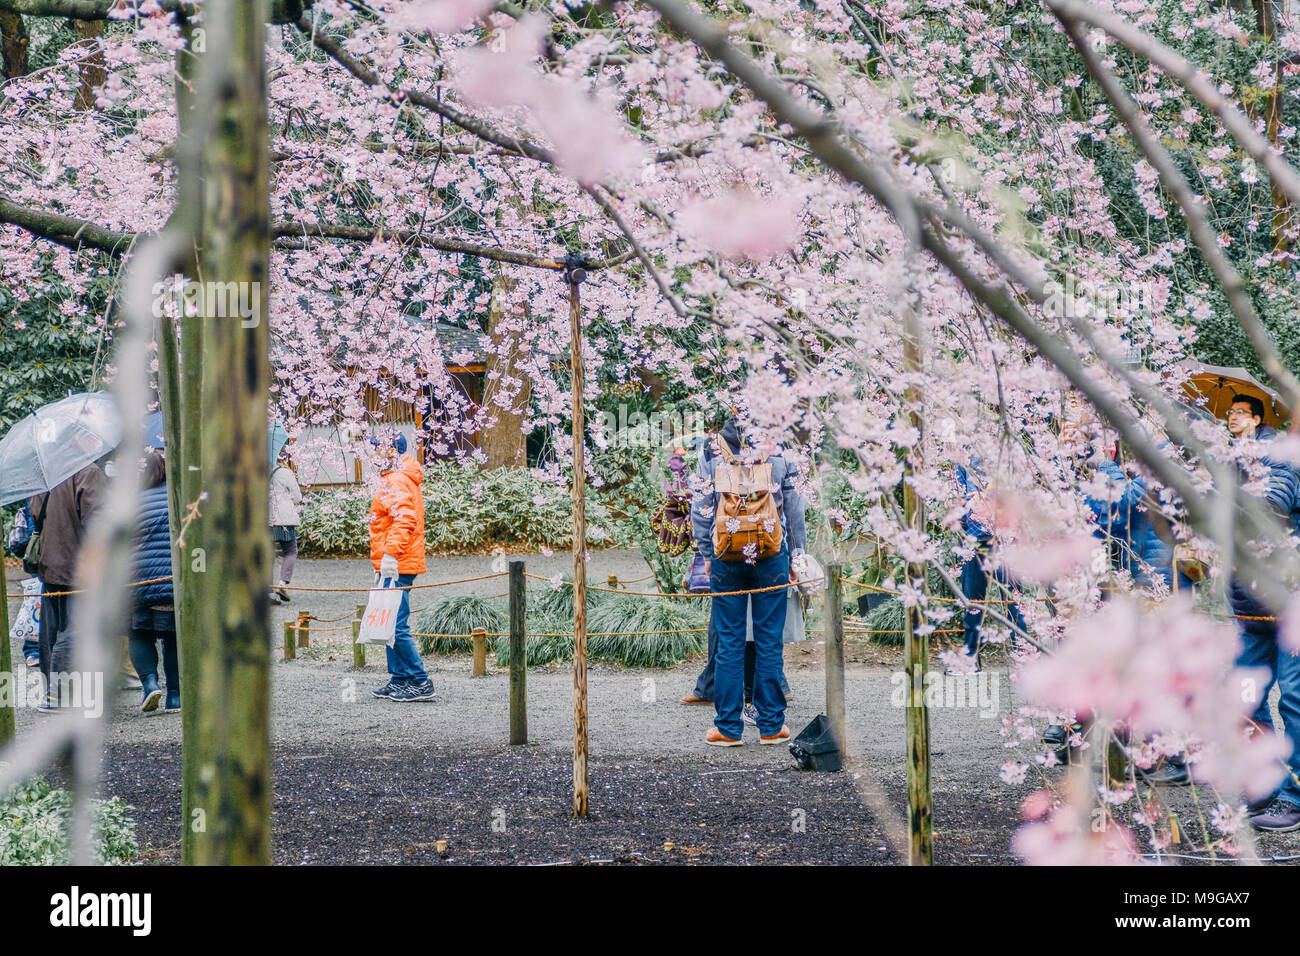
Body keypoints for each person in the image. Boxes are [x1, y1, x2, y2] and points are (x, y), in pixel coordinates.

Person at [691, 417, 806, 747]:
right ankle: (771, 725)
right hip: (772, 554)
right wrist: (797, 555)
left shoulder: (712, 451)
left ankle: (728, 727)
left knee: (729, 639)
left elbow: (701, 507)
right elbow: (795, 508)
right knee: (770, 640)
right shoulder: (781, 449)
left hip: (726, 555)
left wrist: (707, 554)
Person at [1222, 394, 1300, 832]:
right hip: (1247, 601)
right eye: (1227, 412)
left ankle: (1294, 794)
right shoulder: (1228, 459)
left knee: (1294, 699)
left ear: (1256, 418)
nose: (1229, 417)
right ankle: (1267, 785)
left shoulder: (1276, 456)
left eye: (1237, 411)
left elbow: (1274, 506)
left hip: (1286, 599)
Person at [27, 457, 106, 710]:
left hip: (50, 562)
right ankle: (58, 694)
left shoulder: (46, 472)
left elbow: (35, 513)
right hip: (78, 563)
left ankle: (53, 690)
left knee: (51, 630)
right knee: (74, 629)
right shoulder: (87, 471)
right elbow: (95, 521)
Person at [367, 430, 435, 703]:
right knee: (389, 619)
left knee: (395, 623)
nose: (372, 454)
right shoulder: (397, 477)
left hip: (399, 561)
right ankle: (399, 678)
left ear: (389, 451)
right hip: (396, 560)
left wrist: (390, 556)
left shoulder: (396, 479)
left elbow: (403, 520)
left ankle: (419, 680)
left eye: (377, 448)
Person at [951, 459, 1028, 674]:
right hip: (975, 538)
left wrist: (988, 497)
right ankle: (970, 655)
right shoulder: (962, 455)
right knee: (972, 601)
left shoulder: (1005, 448)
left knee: (1013, 600)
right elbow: (959, 493)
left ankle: (1022, 653)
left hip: (1006, 536)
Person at [129, 448, 180, 713]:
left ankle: (150, 684)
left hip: (140, 582)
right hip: (172, 578)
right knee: (173, 637)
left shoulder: (133, 501)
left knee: (139, 633)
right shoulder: (177, 498)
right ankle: (175, 697)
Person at [268, 449, 303, 604]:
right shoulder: (284, 473)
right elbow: (297, 497)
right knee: (290, 551)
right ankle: (282, 584)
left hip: (265, 518)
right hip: (284, 519)